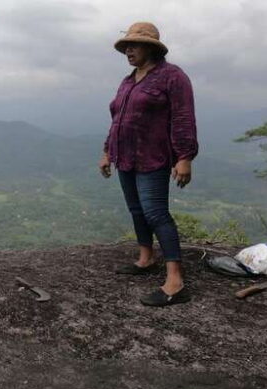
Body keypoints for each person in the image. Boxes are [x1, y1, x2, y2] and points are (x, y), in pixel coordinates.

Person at [99, 22, 198, 307]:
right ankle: (146, 259)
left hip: (153, 156)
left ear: (151, 47)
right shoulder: (129, 80)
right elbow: (117, 119)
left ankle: (175, 281)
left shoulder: (172, 77)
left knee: (156, 213)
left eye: (135, 45)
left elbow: (183, 117)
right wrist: (107, 151)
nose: (128, 50)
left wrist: (184, 156)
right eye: (126, 46)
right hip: (125, 156)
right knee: (136, 209)